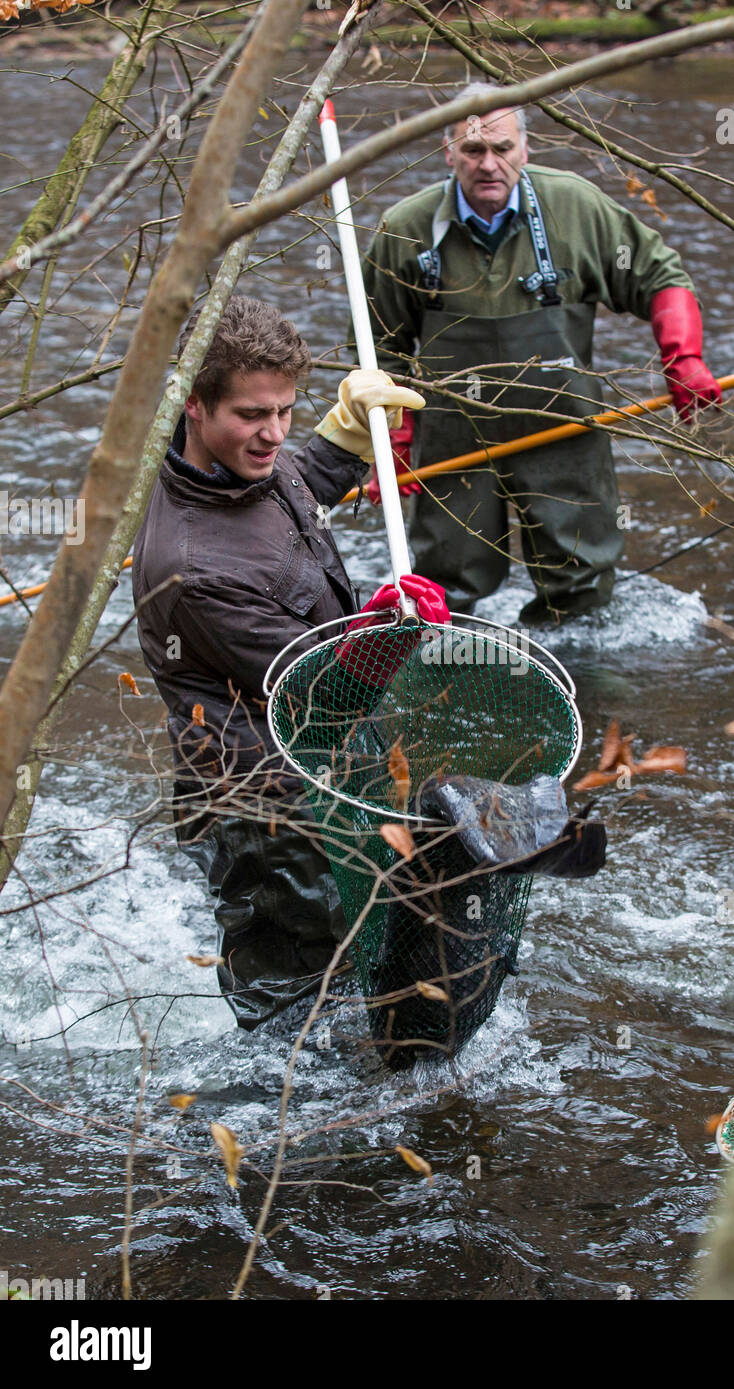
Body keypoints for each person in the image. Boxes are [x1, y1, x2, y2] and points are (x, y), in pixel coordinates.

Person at [132, 295, 448, 1029]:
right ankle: (275, 1125)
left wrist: (343, 433)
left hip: (319, 768)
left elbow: (293, 490)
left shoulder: (238, 465)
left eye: (285, 410)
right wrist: (385, 635)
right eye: (251, 415)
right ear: (193, 406)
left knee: (356, 960)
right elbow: (320, 699)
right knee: (294, 1005)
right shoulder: (191, 568)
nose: (273, 433)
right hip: (266, 808)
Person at [360, 83, 721, 626]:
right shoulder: (403, 232)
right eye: (473, 150)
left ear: (525, 150)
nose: (488, 164)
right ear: (448, 151)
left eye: (501, 149)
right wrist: (394, 439)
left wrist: (683, 358)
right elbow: (377, 347)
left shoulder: (576, 208)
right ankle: (449, 678)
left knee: (580, 588)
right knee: (444, 588)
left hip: (562, 429)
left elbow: (659, 275)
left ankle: (577, 688)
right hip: (456, 439)